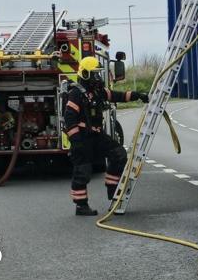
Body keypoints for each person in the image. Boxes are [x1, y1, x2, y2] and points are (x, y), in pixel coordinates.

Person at [63, 56, 149, 216]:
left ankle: (113, 192)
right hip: (82, 137)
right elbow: (69, 118)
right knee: (83, 170)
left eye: (98, 73)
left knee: (119, 154)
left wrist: (138, 95)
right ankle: (81, 206)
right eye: (94, 74)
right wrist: (76, 141)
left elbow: (118, 96)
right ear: (85, 74)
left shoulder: (97, 92)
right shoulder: (76, 94)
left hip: (96, 135)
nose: (97, 77)